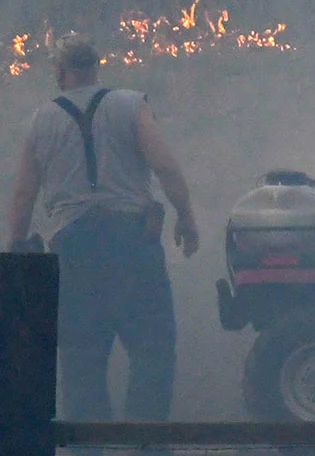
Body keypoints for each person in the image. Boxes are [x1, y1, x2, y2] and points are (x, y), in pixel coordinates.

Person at [7, 34, 199, 435]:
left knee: (81, 358)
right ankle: (144, 447)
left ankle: (88, 450)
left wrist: (17, 245)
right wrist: (186, 217)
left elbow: (25, 192)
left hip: (73, 248)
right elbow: (164, 165)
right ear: (96, 67)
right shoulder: (132, 104)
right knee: (152, 350)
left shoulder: (43, 118)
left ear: (61, 72)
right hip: (132, 242)